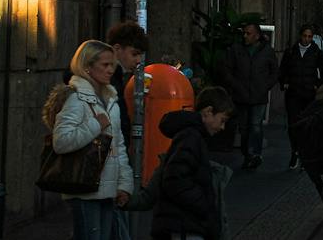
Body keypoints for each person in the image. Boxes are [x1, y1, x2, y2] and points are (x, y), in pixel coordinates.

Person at [43, 40, 134, 240]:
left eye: (112, 65)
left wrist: (123, 185)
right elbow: (61, 141)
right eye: (105, 65)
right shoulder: (76, 99)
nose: (111, 70)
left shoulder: (110, 100)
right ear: (87, 67)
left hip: (107, 190)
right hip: (84, 187)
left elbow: (117, 146)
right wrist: (95, 125)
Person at [153, 85, 234, 240]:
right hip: (184, 225)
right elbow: (174, 180)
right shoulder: (191, 137)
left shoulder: (193, 136)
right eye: (222, 120)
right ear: (208, 112)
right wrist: (203, 204)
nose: (222, 127)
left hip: (183, 224)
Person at [217, 17, 278, 168]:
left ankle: (255, 154)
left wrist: (265, 86)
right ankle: (247, 154)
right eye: (244, 33)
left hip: (259, 95)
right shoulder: (236, 50)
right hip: (241, 95)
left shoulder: (267, 51)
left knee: (255, 125)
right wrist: (235, 85)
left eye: (248, 33)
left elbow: (274, 72)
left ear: (257, 35)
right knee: (244, 127)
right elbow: (227, 70)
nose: (245, 36)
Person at [280, 23, 323, 169]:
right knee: (292, 124)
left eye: (309, 37)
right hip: (293, 93)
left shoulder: (316, 51)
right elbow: (283, 69)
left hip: (309, 93)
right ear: (300, 36)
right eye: (304, 36)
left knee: (307, 124)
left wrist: (317, 85)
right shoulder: (291, 51)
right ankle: (295, 152)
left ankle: (304, 154)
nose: (306, 39)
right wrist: (284, 82)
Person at [106, 20, 150, 153]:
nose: (138, 60)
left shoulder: (117, 77)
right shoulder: (107, 79)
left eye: (140, 55)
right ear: (117, 49)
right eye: (134, 54)